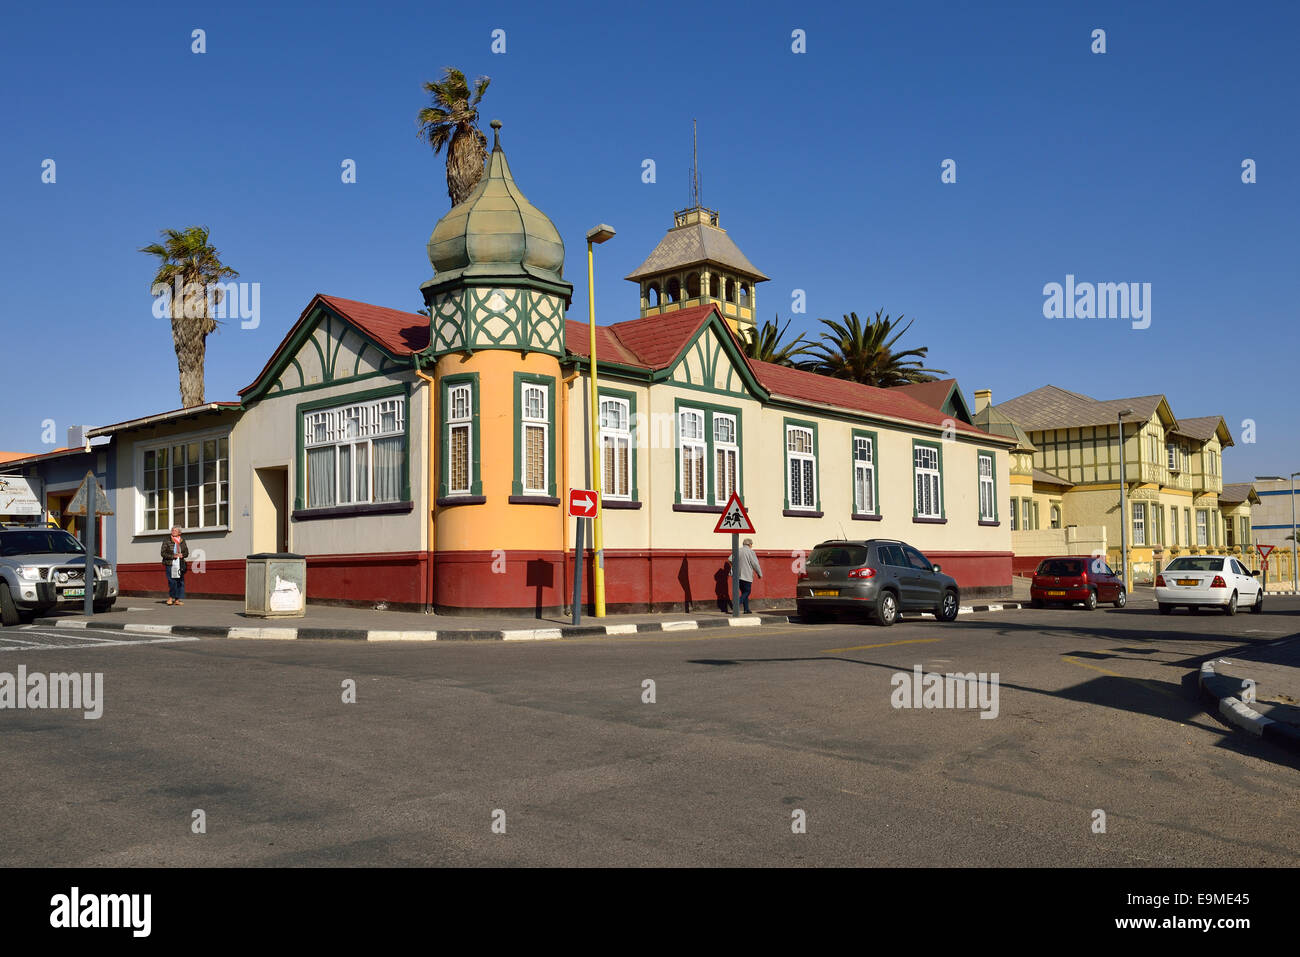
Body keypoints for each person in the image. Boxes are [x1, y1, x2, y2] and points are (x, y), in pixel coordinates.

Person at [161, 526, 189, 606]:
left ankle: (177, 599)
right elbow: (163, 553)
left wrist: (182, 555)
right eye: (172, 530)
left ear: (179, 532)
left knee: (180, 581)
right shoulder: (167, 540)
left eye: (175, 530)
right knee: (172, 581)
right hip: (170, 563)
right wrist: (173, 556)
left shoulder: (182, 541)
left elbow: (186, 552)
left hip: (180, 564)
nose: (173, 531)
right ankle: (171, 597)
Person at [734, 537, 763, 614]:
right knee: (747, 591)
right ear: (749, 544)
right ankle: (737, 603)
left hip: (738, 575)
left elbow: (730, 559)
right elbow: (755, 564)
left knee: (744, 592)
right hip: (746, 575)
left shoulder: (737, 550)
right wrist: (759, 573)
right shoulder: (751, 552)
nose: (751, 546)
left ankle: (746, 609)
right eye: (751, 544)